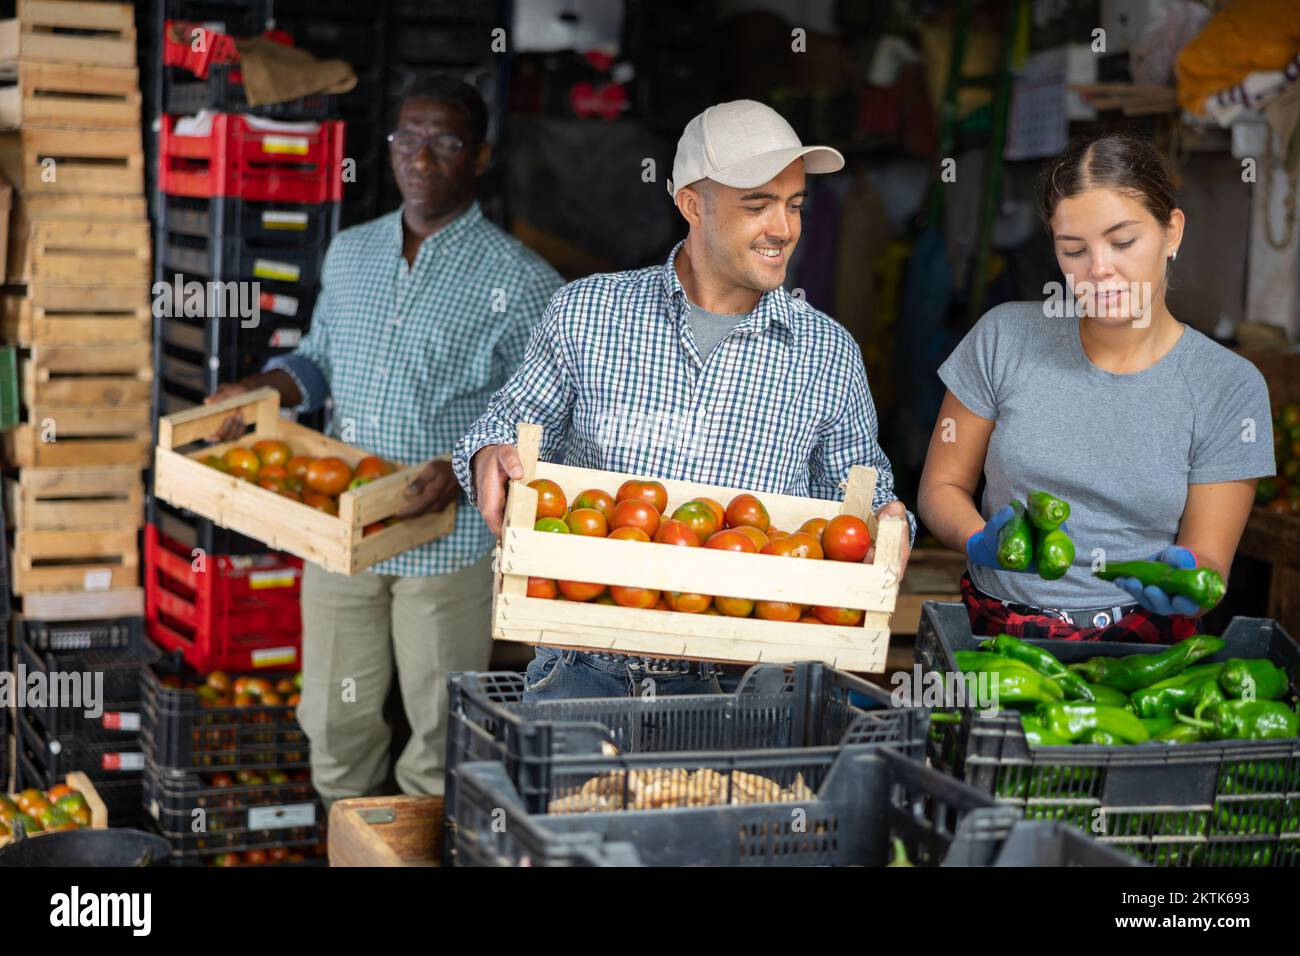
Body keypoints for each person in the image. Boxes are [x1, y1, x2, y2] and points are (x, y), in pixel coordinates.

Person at [453, 99, 914, 700]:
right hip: (588, 668)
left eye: (794, 204)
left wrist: (890, 521)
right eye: (758, 205)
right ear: (692, 204)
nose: (784, 228)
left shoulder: (827, 351)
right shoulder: (587, 313)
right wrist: (490, 455)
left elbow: (865, 489)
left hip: (752, 678)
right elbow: (503, 431)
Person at [205, 77, 563, 806]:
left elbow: (545, 418)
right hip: (342, 527)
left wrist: (462, 470)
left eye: (445, 141)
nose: (420, 157)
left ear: (481, 155)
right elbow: (320, 358)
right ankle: (351, 842)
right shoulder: (351, 252)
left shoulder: (523, 282)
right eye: (407, 136)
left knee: (438, 735)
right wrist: (264, 389)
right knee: (334, 721)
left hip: (450, 543)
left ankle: (422, 849)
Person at [918, 132, 1275, 642]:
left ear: (1171, 232)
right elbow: (941, 488)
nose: (1099, 269)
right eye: (1074, 250)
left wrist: (1193, 584)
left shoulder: (1228, 387)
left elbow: (1210, 561)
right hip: (994, 634)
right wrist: (977, 538)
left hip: (1143, 651)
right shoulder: (1002, 338)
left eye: (1123, 242)